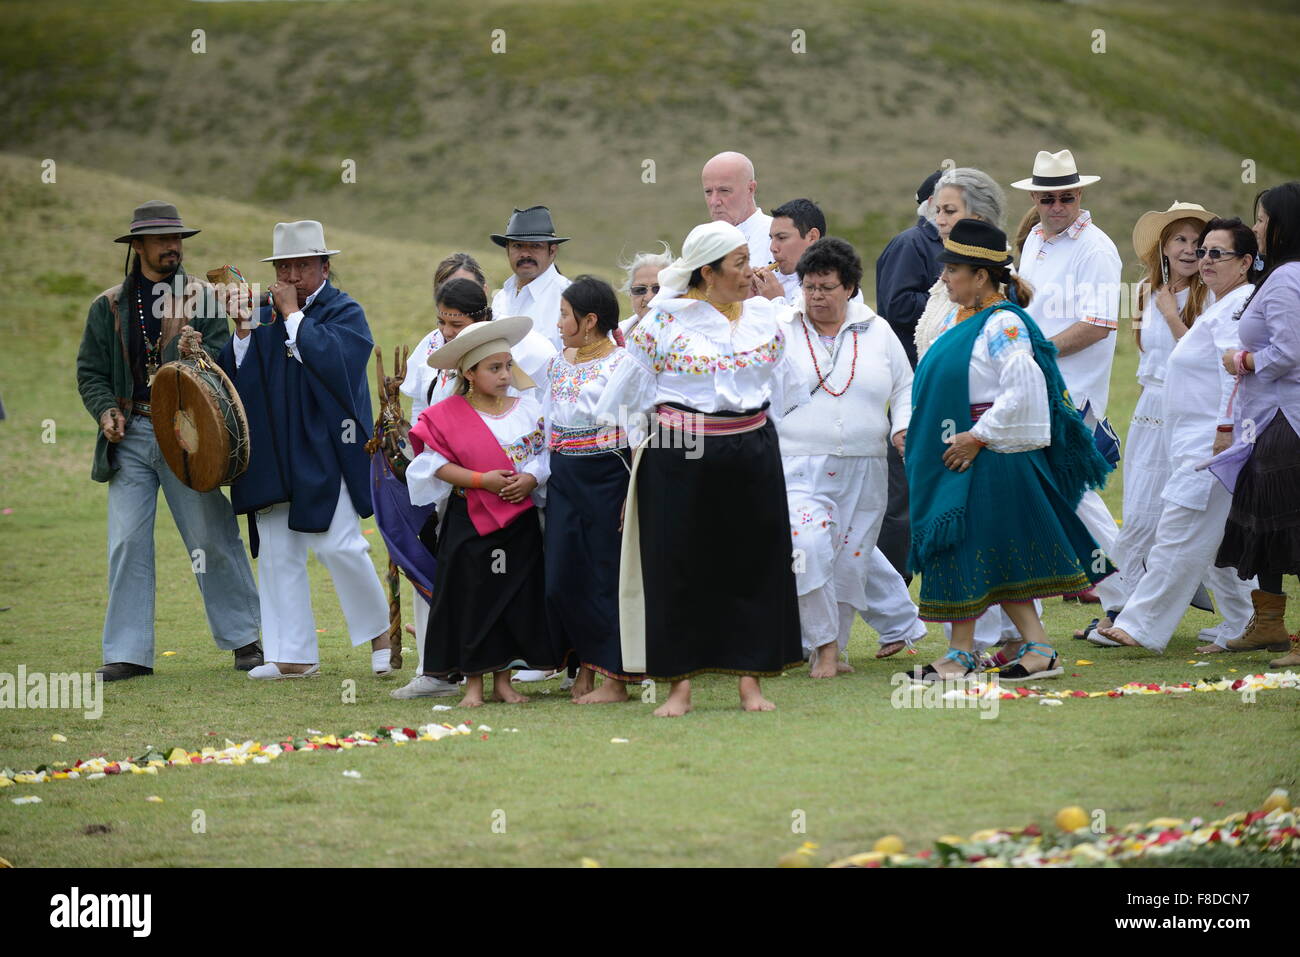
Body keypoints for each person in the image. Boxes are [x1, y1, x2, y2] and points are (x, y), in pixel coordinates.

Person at [595, 221, 804, 716]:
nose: (749, 272)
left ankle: (751, 683)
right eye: (737, 264)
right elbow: (618, 403)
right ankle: (678, 687)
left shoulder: (764, 316)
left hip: (752, 450)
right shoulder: (662, 324)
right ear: (707, 273)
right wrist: (650, 448)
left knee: (753, 562)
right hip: (679, 454)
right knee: (677, 566)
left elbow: (789, 388)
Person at [906, 219, 1113, 681]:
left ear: (981, 276)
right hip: (967, 456)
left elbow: (1024, 388)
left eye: (953, 269)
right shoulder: (965, 319)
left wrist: (978, 436)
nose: (944, 277)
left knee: (986, 550)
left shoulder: (1003, 324)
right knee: (982, 552)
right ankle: (999, 650)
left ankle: (1013, 650)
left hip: (989, 456)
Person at [76, 201, 262, 681]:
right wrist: (105, 410)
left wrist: (197, 355)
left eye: (177, 239)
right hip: (132, 434)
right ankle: (128, 653)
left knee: (210, 534)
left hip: (189, 430)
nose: (172, 247)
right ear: (137, 246)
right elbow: (91, 372)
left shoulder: (203, 298)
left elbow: (227, 364)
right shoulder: (108, 305)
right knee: (126, 542)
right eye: (161, 240)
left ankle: (246, 639)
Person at [219, 221, 392, 680]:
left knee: (341, 544)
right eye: (284, 266)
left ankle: (382, 634)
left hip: (326, 446)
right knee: (278, 549)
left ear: (325, 266)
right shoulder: (263, 314)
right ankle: (292, 654)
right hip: (272, 447)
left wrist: (295, 317)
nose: (292, 275)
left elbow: (340, 365)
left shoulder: (344, 309)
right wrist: (240, 333)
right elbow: (237, 382)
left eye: (303, 265)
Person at [1094, 218, 1259, 653]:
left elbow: (1233, 372)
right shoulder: (1227, 303)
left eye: (1215, 253)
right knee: (1216, 537)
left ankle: (1139, 624)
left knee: (1178, 529)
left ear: (1245, 262)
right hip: (1188, 433)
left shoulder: (1235, 306)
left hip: (1210, 442)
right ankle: (1250, 623)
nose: (1204, 260)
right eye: (1203, 251)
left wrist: (1224, 430)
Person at [405, 317, 571, 706]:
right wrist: (481, 480)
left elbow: (545, 454)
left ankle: (504, 681)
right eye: (494, 368)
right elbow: (430, 465)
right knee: (473, 598)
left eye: (508, 365)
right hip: (470, 521)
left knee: (514, 598)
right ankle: (473, 685)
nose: (504, 375)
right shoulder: (446, 414)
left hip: (518, 523)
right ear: (469, 373)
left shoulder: (529, 409)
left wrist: (530, 477)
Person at [778, 238, 924, 677]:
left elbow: (904, 387)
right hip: (798, 462)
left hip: (867, 465)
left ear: (850, 288)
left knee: (851, 560)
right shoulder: (782, 327)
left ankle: (832, 651)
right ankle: (820, 645)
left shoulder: (876, 330)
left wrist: (902, 427)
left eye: (826, 287)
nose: (816, 296)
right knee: (807, 546)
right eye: (809, 287)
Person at [1078, 204, 1216, 642]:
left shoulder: (1209, 294)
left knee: (1191, 512)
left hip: (1192, 406)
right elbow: (1146, 358)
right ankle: (1122, 608)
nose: (1190, 250)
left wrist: (1171, 313)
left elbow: (1200, 354)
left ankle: (1132, 613)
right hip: (1151, 407)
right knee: (1138, 512)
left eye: (1198, 242)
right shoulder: (1143, 292)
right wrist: (1139, 412)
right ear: (1164, 247)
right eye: (1180, 240)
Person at [1012, 149, 1124, 610]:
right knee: (1059, 497)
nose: (1058, 206)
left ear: (1079, 195)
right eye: (1049, 198)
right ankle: (1120, 597)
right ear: (1036, 198)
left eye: (1067, 197)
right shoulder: (1037, 238)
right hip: (1037, 387)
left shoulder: (1096, 248)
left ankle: (1129, 596)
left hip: (1070, 392)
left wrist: (1038, 352)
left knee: (1074, 498)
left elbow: (1098, 324)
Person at [1213, 182, 1300, 666]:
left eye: (1263, 219)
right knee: (1269, 526)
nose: (1256, 228)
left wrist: (1242, 359)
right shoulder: (1283, 274)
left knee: (1290, 525)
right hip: (1270, 419)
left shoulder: (1288, 279)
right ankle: (1268, 624)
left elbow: (1290, 351)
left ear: (1284, 225)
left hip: (1288, 419)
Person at [544, 276, 641, 702]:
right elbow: (547, 421)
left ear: (589, 321)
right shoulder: (557, 362)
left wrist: (636, 493)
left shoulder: (624, 364)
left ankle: (613, 679)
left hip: (608, 476)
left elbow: (639, 428)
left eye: (565, 314)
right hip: (565, 475)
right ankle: (583, 664)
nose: (559, 321)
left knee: (606, 576)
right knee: (563, 576)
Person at [876, 169, 944, 366]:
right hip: (913, 365)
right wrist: (951, 298)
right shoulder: (910, 244)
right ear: (932, 203)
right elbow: (899, 306)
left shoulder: (948, 243)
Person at [489, 206, 572, 351]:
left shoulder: (569, 296)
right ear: (507, 250)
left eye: (535, 246)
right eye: (518, 245)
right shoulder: (501, 298)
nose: (525, 254)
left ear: (552, 251)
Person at [701, 151, 774, 269]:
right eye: (708, 192)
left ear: (750, 189)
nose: (714, 201)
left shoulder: (778, 238)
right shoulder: (701, 243)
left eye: (724, 191)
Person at [768, 198, 825, 302]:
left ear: (812, 237)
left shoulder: (838, 286)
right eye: (771, 238)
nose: (772, 248)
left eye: (781, 238)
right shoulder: (773, 284)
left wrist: (776, 301)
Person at [618, 243, 672, 338]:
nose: (649, 297)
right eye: (640, 290)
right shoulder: (612, 336)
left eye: (657, 289)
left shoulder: (688, 337)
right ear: (630, 293)